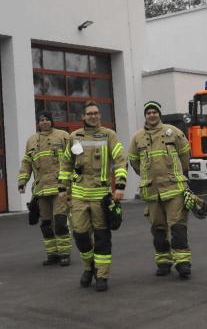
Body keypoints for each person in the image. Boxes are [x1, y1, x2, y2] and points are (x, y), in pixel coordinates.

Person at [58, 101, 128, 292]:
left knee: (102, 236)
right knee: (80, 235)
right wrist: (62, 188)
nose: (93, 116)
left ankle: (102, 274)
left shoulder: (108, 135)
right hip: (79, 195)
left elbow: (121, 160)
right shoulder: (75, 137)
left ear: (100, 116)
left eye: (96, 113)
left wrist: (120, 186)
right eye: (89, 114)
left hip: (101, 196)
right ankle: (89, 267)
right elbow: (65, 163)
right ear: (83, 117)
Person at [128, 101, 193, 278]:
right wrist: (145, 177)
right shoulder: (137, 138)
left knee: (178, 228)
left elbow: (185, 154)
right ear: (145, 115)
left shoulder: (173, 132)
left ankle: (183, 263)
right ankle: (163, 262)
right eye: (148, 112)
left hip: (174, 189)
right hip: (152, 192)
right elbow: (134, 162)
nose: (152, 115)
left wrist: (181, 173)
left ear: (159, 114)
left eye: (154, 112)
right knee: (158, 230)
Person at [18, 111, 72, 266]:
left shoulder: (63, 136)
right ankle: (52, 254)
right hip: (41, 190)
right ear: (38, 123)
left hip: (60, 188)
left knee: (60, 222)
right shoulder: (32, 140)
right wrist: (22, 182)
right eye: (41, 120)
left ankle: (64, 254)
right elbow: (26, 163)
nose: (44, 122)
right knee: (46, 225)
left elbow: (74, 157)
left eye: (47, 119)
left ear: (52, 121)